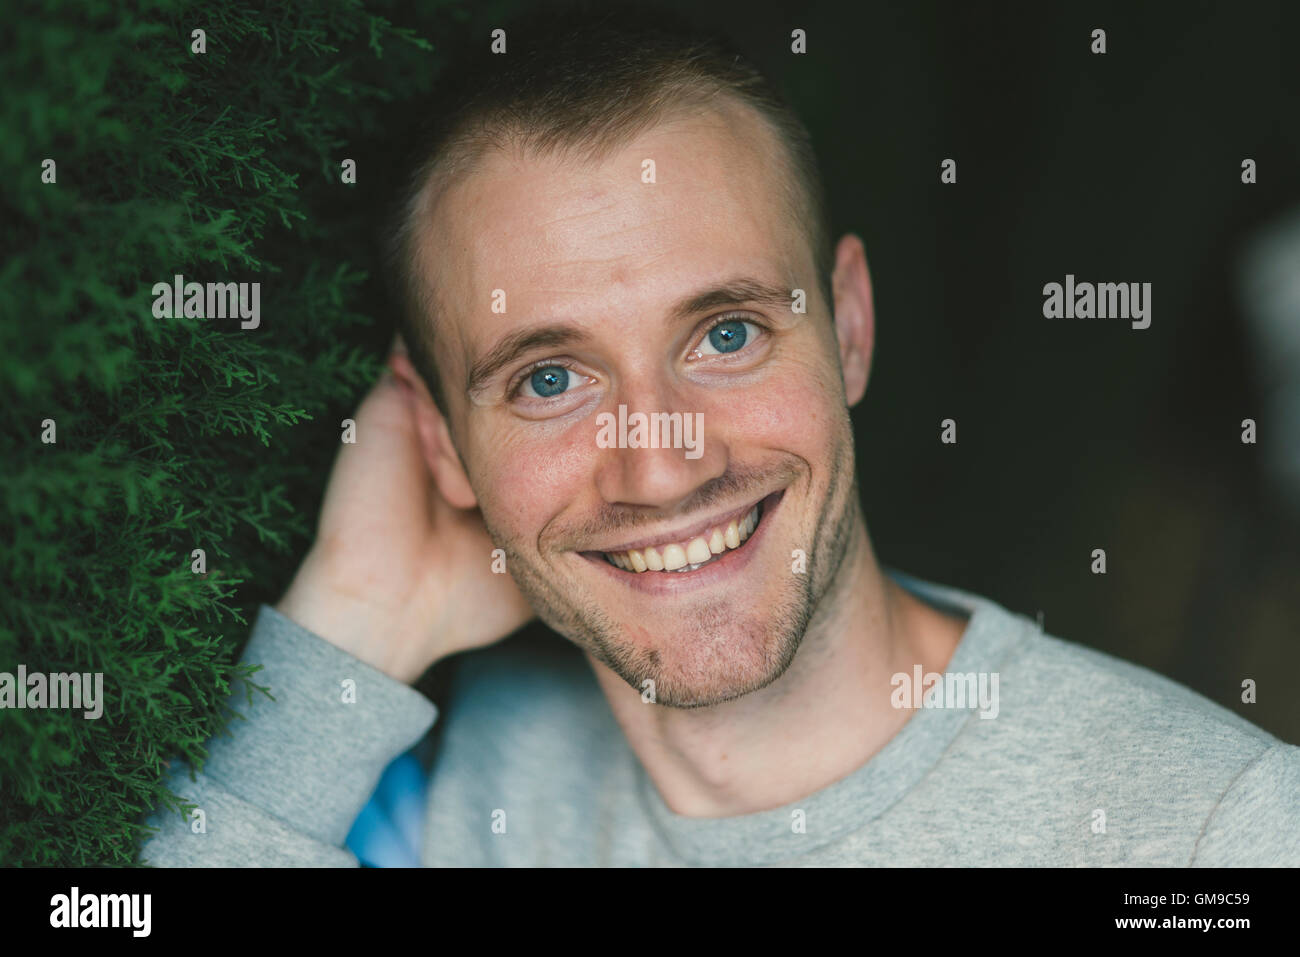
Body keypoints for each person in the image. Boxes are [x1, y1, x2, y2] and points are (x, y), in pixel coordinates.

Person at [140, 12, 1299, 867]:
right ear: (440, 441)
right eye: (550, 377)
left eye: (726, 333)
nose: (662, 461)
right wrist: (349, 618)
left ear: (848, 328)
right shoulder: (445, 793)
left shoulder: (1214, 836)